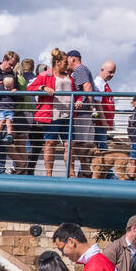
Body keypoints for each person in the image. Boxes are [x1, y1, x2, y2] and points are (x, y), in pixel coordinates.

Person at [30, 51, 73, 177]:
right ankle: (49, 173)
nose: (67, 64)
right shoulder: (46, 74)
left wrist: (79, 100)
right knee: (50, 143)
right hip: (52, 115)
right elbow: (31, 87)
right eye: (65, 62)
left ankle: (71, 172)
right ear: (58, 62)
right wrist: (43, 88)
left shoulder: (69, 76)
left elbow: (76, 91)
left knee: (69, 144)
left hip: (68, 115)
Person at [64, 49, 96, 177]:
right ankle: (83, 172)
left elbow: (87, 87)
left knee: (79, 143)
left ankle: (83, 173)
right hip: (82, 111)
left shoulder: (80, 70)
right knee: (77, 143)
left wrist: (87, 105)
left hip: (82, 112)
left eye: (67, 59)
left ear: (72, 58)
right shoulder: (79, 70)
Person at [92, 60, 117, 156]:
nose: (112, 75)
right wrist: (104, 122)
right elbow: (98, 104)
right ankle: (108, 171)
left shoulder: (104, 84)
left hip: (102, 125)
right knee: (101, 151)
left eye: (113, 72)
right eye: (110, 72)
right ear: (102, 70)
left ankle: (85, 171)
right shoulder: (98, 84)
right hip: (99, 125)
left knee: (99, 151)